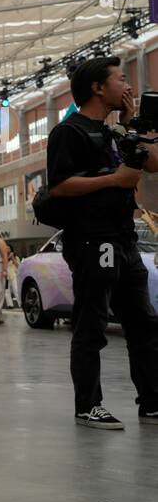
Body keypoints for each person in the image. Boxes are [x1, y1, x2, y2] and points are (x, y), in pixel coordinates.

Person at [46, 54, 158, 429]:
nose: (128, 86)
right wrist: (113, 180)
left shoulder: (116, 132)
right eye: (121, 79)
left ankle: (152, 400)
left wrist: (135, 126)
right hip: (94, 240)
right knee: (91, 324)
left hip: (125, 240)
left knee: (143, 323)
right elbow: (60, 185)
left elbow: (152, 162)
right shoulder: (69, 132)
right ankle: (88, 405)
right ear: (97, 87)